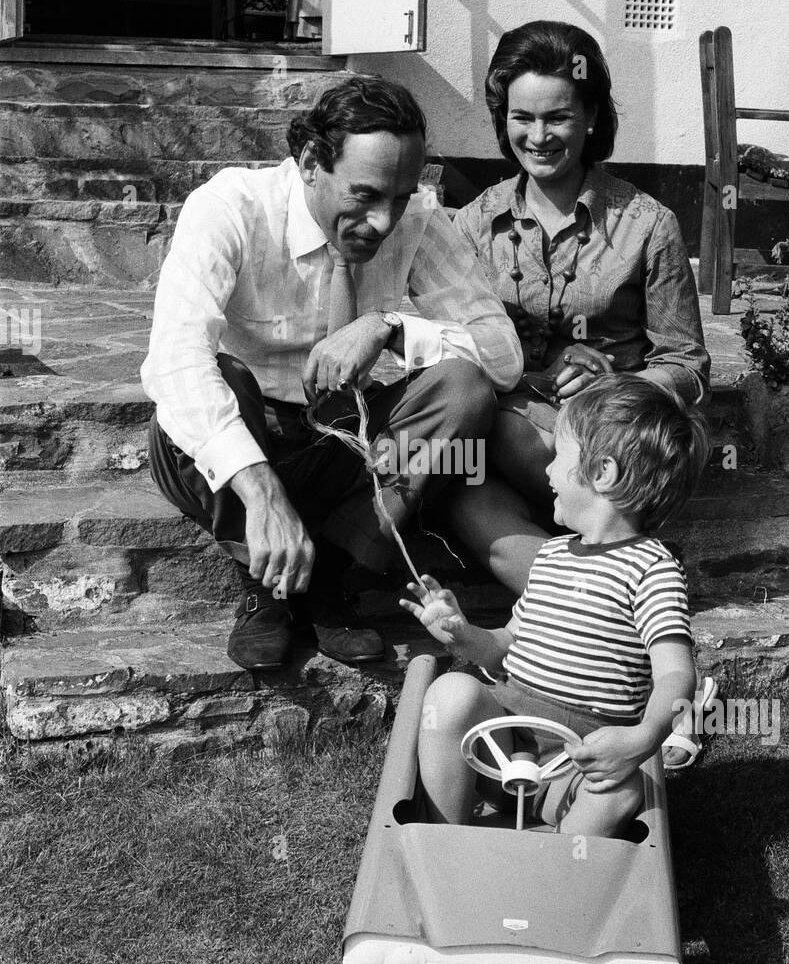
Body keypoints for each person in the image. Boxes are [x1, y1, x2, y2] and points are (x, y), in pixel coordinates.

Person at [142, 76, 523, 669]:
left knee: (463, 389)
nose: (383, 221)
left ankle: (330, 576)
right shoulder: (231, 207)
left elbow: (502, 356)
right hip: (239, 450)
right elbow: (175, 357)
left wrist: (388, 326)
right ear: (310, 163)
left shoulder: (418, 219)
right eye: (365, 195)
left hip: (344, 444)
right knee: (218, 373)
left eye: (400, 197)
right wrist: (262, 491)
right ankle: (265, 585)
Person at [445, 20, 711, 603]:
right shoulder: (473, 224)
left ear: (591, 116)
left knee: (502, 440)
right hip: (516, 431)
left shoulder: (648, 224)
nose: (538, 136)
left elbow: (688, 365)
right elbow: (452, 341)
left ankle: (610, 562)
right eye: (522, 117)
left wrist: (617, 385)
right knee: (467, 493)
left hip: (612, 442)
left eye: (558, 117)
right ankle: (592, 601)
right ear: (503, 119)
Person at [401, 375, 709, 838]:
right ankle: (444, 840)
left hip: (582, 760)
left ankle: (562, 863)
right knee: (451, 693)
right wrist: (462, 633)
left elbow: (676, 675)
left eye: (559, 456)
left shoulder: (652, 569)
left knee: (623, 789)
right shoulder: (550, 556)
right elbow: (506, 647)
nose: (546, 471)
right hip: (504, 745)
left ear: (601, 473)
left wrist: (642, 738)